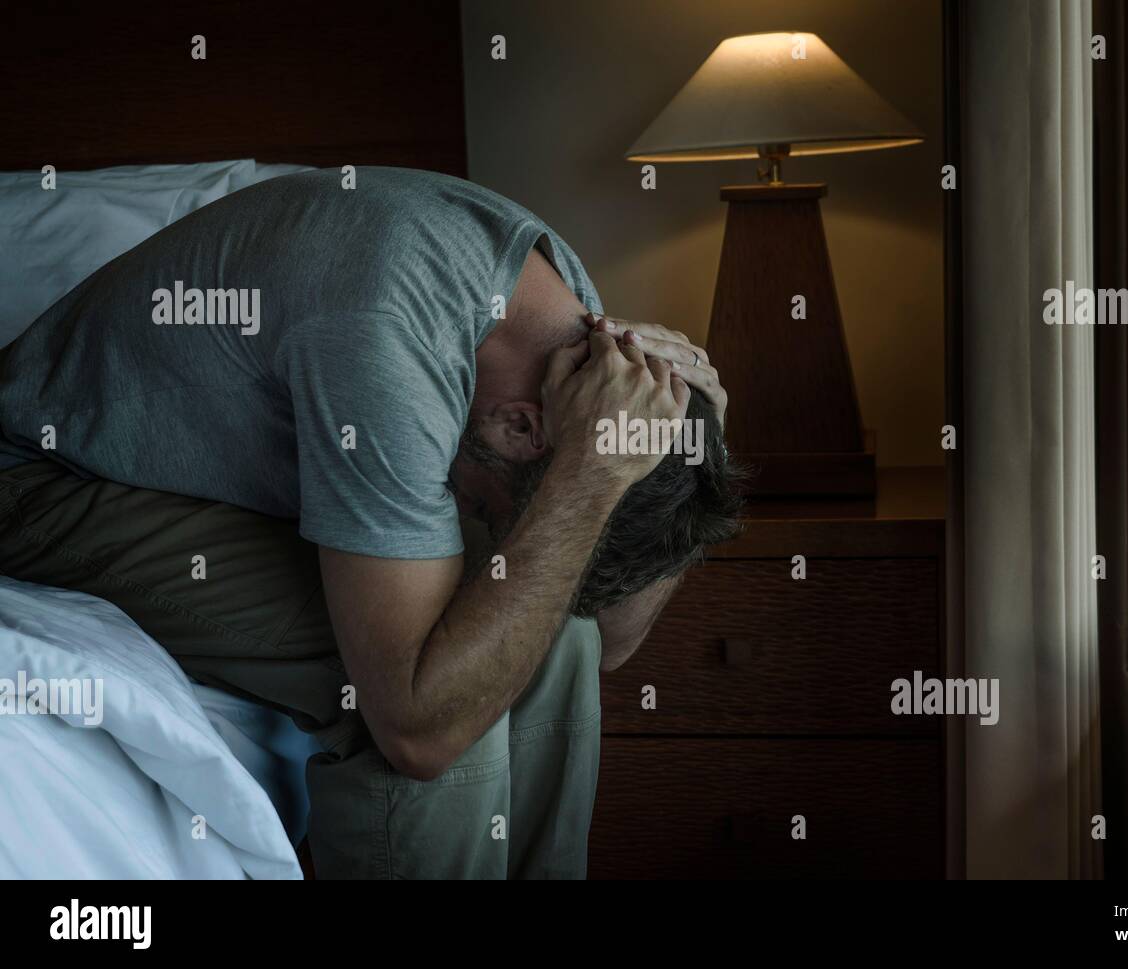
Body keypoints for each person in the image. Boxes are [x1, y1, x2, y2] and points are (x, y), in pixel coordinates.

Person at [0, 167, 743, 878]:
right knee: (426, 682)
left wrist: (698, 437)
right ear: (521, 429)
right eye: (483, 503)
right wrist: (583, 483)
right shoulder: (383, 337)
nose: (475, 513)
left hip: (198, 487)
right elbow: (418, 726)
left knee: (543, 625)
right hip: (43, 480)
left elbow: (603, 632)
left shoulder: (561, 324)